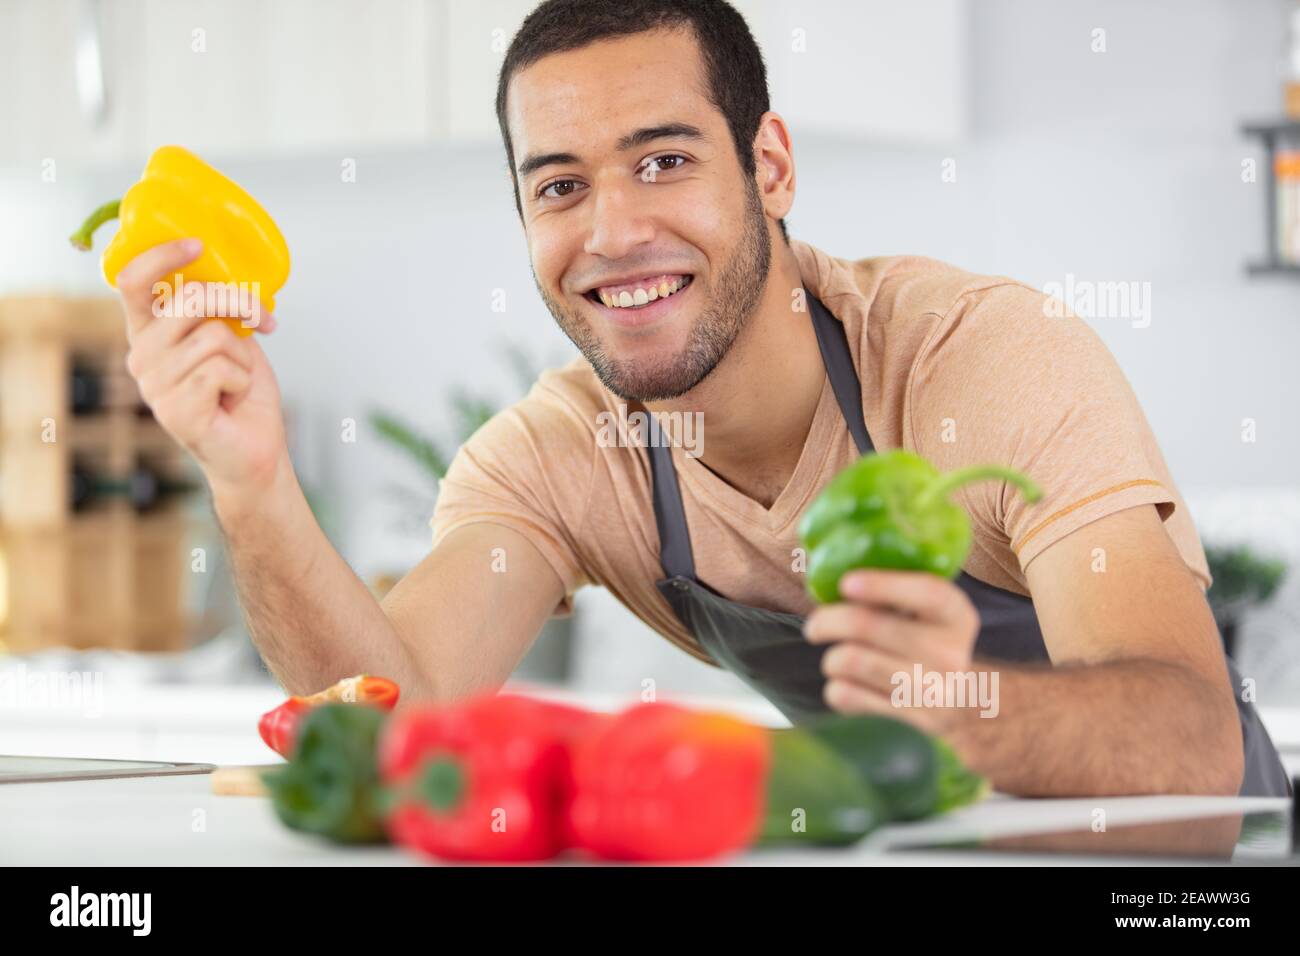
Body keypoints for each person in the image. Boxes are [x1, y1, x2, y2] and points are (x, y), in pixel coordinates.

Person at [110, 0, 1289, 798]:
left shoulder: (969, 360)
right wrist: (249, 481)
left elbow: (1192, 753)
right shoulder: (565, 455)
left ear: (768, 167)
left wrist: (962, 707)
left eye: (663, 159)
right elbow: (390, 711)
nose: (615, 231)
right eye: (561, 184)